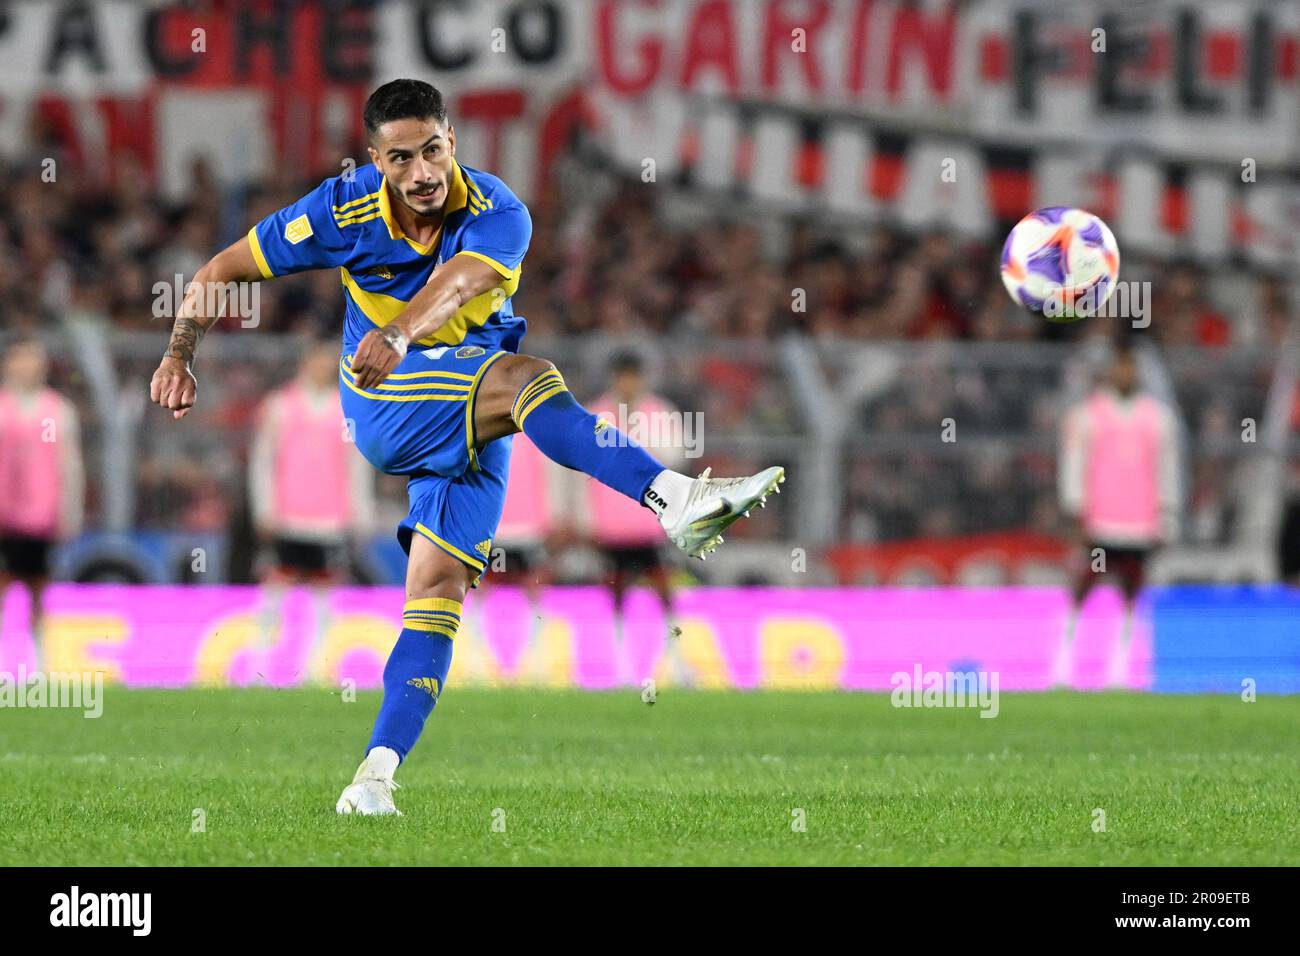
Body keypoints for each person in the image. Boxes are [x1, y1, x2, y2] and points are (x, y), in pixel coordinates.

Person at [147, 79, 784, 815]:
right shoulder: (339, 210)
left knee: (437, 595)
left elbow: (461, 282)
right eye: (401, 158)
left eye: (433, 151)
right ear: (375, 160)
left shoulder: (498, 211)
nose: (421, 172)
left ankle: (373, 778)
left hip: (461, 403)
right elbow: (221, 271)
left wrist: (402, 329)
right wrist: (178, 352)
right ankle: (678, 499)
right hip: (386, 401)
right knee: (529, 379)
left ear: (452, 139)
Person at [1054, 341, 1179, 688]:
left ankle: (1121, 669)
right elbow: (1074, 463)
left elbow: (1166, 469)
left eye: (1130, 367)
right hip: (1100, 523)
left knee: (1132, 595)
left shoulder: (1158, 418)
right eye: (1120, 366)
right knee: (1083, 588)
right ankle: (1064, 662)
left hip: (1139, 525)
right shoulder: (1087, 415)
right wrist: (1076, 507)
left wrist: (1166, 514)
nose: (1125, 373)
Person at [585, 352, 691, 685]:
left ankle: (675, 661)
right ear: (614, 378)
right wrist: (585, 518)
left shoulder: (660, 413)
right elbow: (581, 469)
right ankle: (621, 665)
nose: (627, 383)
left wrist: (638, 444)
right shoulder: (595, 413)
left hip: (650, 523)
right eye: (622, 376)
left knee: (665, 593)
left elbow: (677, 457)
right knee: (616, 595)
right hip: (611, 524)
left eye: (632, 376)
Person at [248, 337, 375, 586]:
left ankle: (321, 627)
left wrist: (361, 511)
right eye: (318, 361)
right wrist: (264, 508)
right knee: (278, 578)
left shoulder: (346, 409)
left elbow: (357, 465)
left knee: (327, 580)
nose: (323, 368)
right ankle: (269, 626)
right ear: (305, 363)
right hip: (288, 515)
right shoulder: (279, 405)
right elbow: (263, 462)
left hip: (331, 517)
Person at [0, 337, 85, 665]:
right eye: (21, 359)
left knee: (39, 590)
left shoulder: (59, 410)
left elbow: (70, 466)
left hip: (40, 517)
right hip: (4, 516)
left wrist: (70, 513)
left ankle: (37, 662)